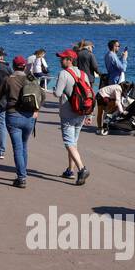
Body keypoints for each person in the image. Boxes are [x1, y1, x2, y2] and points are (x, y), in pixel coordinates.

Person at [2, 56, 42, 187]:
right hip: (29, 116)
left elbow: (0, 95)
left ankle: (22, 177)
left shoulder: (8, 80)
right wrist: (37, 110)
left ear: (13, 66)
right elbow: (43, 95)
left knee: (18, 148)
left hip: (13, 115)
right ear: (24, 67)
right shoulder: (30, 79)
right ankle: (23, 173)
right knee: (24, 145)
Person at [55, 49, 91, 184]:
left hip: (68, 113)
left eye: (62, 58)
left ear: (70, 60)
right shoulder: (83, 74)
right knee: (74, 142)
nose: (60, 60)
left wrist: (56, 90)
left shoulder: (63, 74)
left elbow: (58, 93)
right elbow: (88, 94)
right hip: (81, 112)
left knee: (68, 142)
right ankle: (70, 170)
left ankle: (82, 169)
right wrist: (90, 114)